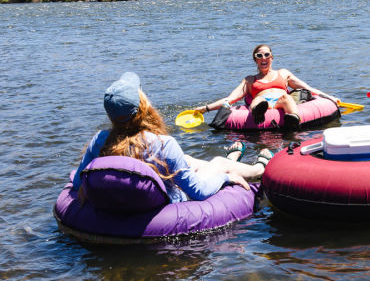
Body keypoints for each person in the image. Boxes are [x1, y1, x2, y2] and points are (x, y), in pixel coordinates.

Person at [73, 72, 270, 203]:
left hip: (129, 197)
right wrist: (225, 179)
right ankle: (258, 168)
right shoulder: (163, 144)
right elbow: (198, 192)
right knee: (218, 164)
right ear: (143, 107)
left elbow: (77, 184)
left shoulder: (100, 140)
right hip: (165, 200)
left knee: (189, 160)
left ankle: (233, 157)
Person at [197, 44, 340, 129]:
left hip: (280, 102)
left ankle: (293, 120)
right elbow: (230, 99)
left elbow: (308, 88)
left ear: (272, 57)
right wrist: (207, 108)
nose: (263, 58)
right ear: (256, 60)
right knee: (259, 101)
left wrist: (329, 97)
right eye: (259, 56)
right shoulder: (249, 80)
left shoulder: (283, 74)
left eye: (266, 55)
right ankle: (259, 112)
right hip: (261, 102)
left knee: (286, 97)